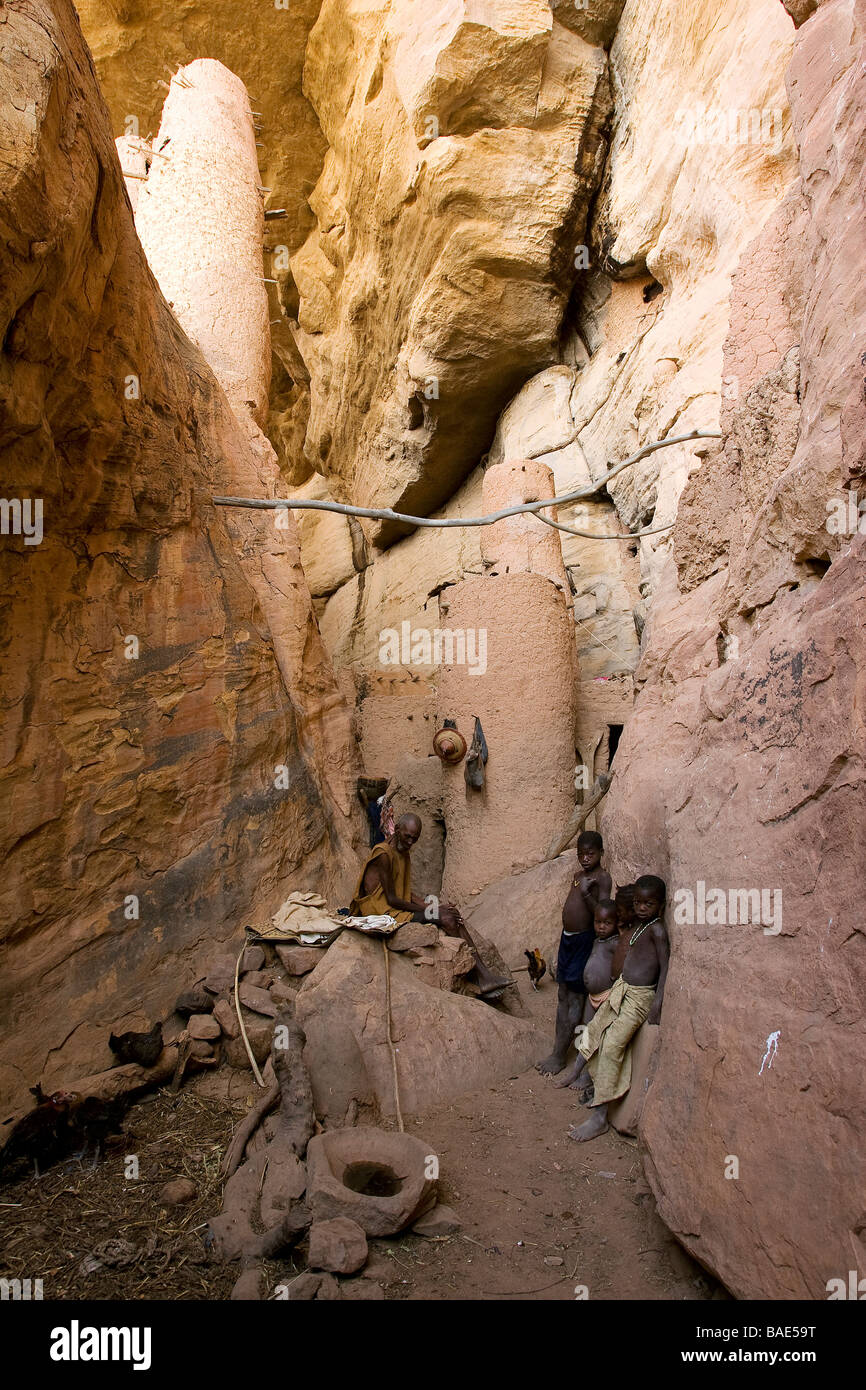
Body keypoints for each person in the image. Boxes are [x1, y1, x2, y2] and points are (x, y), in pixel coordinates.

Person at [351, 812, 511, 999]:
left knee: (452, 913)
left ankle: (484, 974)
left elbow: (405, 893)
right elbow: (392, 899)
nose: (410, 842)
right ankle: (481, 976)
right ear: (397, 830)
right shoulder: (383, 854)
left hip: (392, 907)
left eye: (415, 838)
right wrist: (431, 910)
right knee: (447, 918)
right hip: (382, 912)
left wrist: (433, 906)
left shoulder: (402, 852)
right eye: (407, 836)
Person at [568, 874, 670, 1143]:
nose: (641, 908)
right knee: (595, 1030)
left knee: (612, 1046)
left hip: (639, 997)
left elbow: (664, 968)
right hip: (622, 989)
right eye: (637, 902)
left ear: (660, 906)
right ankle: (588, 1083)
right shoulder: (638, 925)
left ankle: (600, 1117)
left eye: (648, 904)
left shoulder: (657, 930)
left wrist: (657, 1003)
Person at [536, 831, 612, 1076]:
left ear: (602, 852)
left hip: (583, 941)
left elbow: (602, 914)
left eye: (590, 853)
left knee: (576, 998)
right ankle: (558, 1048)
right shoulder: (578, 876)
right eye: (581, 854)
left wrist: (588, 895)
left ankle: (560, 1056)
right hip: (567, 941)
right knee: (563, 995)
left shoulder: (602, 878)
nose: (585, 858)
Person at [554, 897, 619, 1096]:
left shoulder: (615, 943)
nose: (601, 927)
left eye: (607, 923)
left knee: (600, 1036)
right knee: (587, 1034)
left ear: (617, 923)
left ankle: (587, 1077)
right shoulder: (596, 940)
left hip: (606, 996)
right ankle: (576, 1070)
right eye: (598, 922)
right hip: (592, 996)